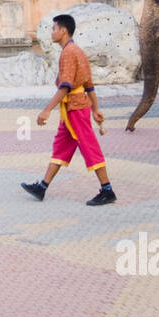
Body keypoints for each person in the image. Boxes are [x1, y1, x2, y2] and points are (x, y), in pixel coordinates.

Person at [21, 14, 117, 206]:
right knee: (61, 147)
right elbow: (89, 84)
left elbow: (65, 86)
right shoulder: (77, 51)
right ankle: (42, 187)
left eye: (54, 29)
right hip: (74, 108)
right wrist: (95, 108)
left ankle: (107, 190)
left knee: (89, 147)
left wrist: (46, 110)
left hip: (76, 108)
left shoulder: (68, 53)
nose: (52, 33)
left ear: (63, 31)